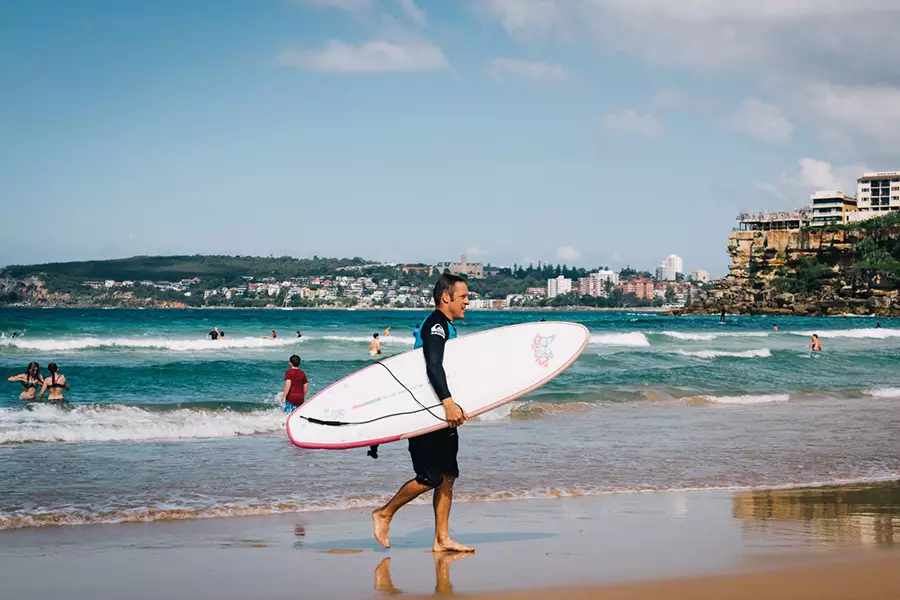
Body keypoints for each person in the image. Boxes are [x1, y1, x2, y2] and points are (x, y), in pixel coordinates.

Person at [372, 273, 473, 553]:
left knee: (449, 475)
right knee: (430, 476)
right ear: (446, 297)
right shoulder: (435, 326)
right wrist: (448, 402)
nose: (468, 301)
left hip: (441, 413)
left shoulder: (447, 326)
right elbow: (433, 366)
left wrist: (457, 404)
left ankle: (442, 539)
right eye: (463, 296)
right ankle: (385, 512)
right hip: (426, 412)